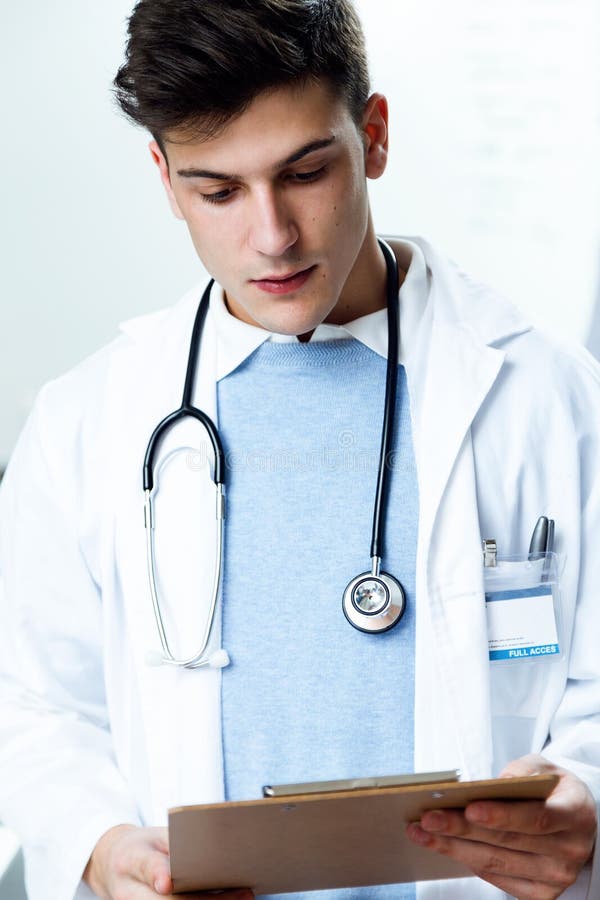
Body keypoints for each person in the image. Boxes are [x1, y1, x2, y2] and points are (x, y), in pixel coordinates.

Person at [0, 1, 599, 898]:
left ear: (375, 136)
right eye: (218, 192)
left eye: (306, 172)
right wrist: (96, 843)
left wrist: (587, 796)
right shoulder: (86, 421)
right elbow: (32, 704)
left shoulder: (552, 395)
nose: (272, 235)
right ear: (164, 178)